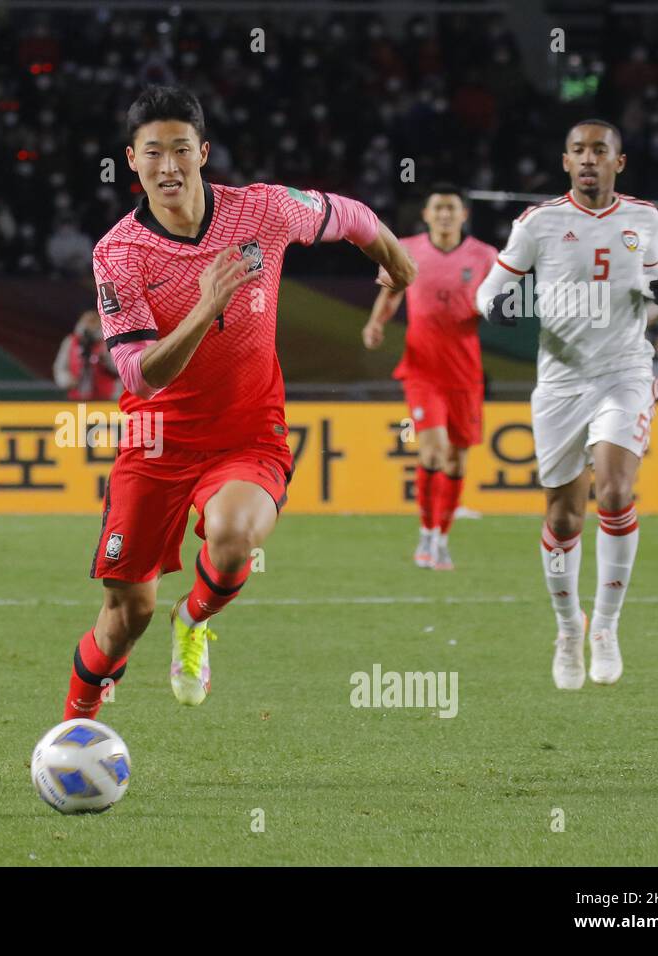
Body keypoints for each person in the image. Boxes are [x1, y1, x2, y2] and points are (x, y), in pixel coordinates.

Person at [60, 86, 416, 719]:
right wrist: (205, 306)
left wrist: (396, 262)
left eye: (180, 150)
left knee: (231, 537)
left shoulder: (266, 211)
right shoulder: (118, 253)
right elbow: (140, 376)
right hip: (156, 443)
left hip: (248, 436)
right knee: (124, 616)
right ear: (131, 161)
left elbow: (352, 215)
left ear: (204, 152)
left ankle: (194, 618)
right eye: (152, 154)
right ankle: (75, 726)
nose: (168, 167)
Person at [475, 119, 658, 689]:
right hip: (561, 385)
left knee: (615, 491)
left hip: (624, 371)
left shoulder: (645, 219)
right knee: (563, 517)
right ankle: (569, 627)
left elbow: (654, 286)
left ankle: (607, 627)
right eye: (578, 151)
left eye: (600, 150)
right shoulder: (539, 223)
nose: (588, 159)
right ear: (565, 162)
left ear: (620, 162)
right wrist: (496, 306)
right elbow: (489, 289)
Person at [363, 183, 498, 570]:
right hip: (422, 369)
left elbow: (499, 301)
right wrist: (376, 324)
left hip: (466, 372)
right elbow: (391, 292)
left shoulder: (485, 256)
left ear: (463, 215)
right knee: (433, 451)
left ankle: (442, 536)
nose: (443, 215)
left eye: (450, 208)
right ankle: (424, 535)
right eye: (437, 208)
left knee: (456, 462)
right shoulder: (406, 249)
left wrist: (496, 309)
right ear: (425, 214)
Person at [53, 310, 120, 400]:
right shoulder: (71, 341)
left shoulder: (108, 341)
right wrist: (67, 380)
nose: (90, 325)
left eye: (93, 321)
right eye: (87, 321)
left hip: (106, 397)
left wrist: (105, 360)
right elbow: (60, 368)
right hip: (76, 397)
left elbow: (119, 369)